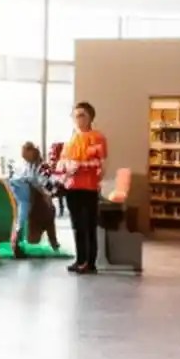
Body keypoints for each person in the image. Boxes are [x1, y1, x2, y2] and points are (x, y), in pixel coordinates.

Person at [58, 101, 108, 274]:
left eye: (82, 115)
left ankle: (89, 262)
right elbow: (62, 161)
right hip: (71, 187)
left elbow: (98, 163)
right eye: (75, 115)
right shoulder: (71, 139)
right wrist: (64, 168)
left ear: (90, 118)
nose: (78, 119)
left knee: (88, 225)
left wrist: (77, 165)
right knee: (77, 225)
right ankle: (79, 259)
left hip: (89, 187)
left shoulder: (97, 137)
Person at [8, 142, 59, 256]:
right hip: (33, 207)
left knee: (47, 226)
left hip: (43, 206)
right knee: (32, 239)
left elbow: (51, 186)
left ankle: (53, 242)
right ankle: (20, 240)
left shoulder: (43, 167)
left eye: (25, 155)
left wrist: (45, 193)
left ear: (31, 152)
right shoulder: (26, 166)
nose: (24, 157)